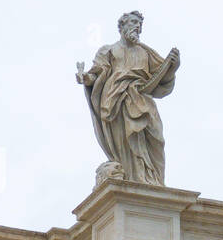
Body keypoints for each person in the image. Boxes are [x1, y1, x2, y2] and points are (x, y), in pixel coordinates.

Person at [76, 11, 179, 188]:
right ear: (121, 26)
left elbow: (163, 78)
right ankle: (134, 179)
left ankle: (154, 181)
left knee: (156, 139)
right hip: (117, 102)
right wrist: (85, 78)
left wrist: (174, 65)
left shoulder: (146, 52)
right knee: (127, 144)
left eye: (139, 24)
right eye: (132, 22)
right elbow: (97, 74)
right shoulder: (108, 50)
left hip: (142, 100)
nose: (137, 26)